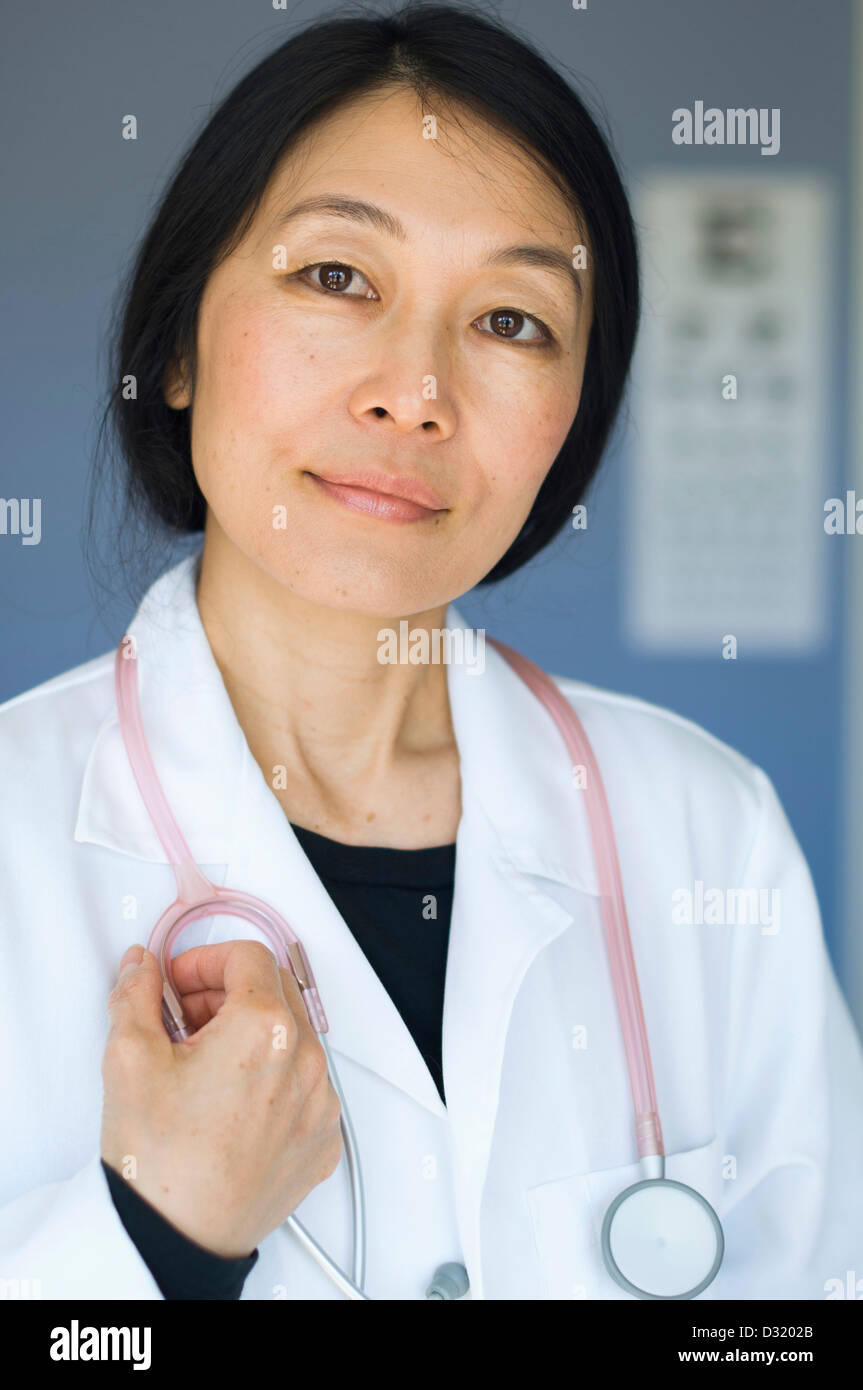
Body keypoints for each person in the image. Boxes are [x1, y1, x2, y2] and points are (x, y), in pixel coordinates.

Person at [1, 2, 861, 1301]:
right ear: (178, 344)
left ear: (568, 423)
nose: (416, 389)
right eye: (337, 276)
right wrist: (157, 1234)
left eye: (511, 320)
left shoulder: (708, 832)